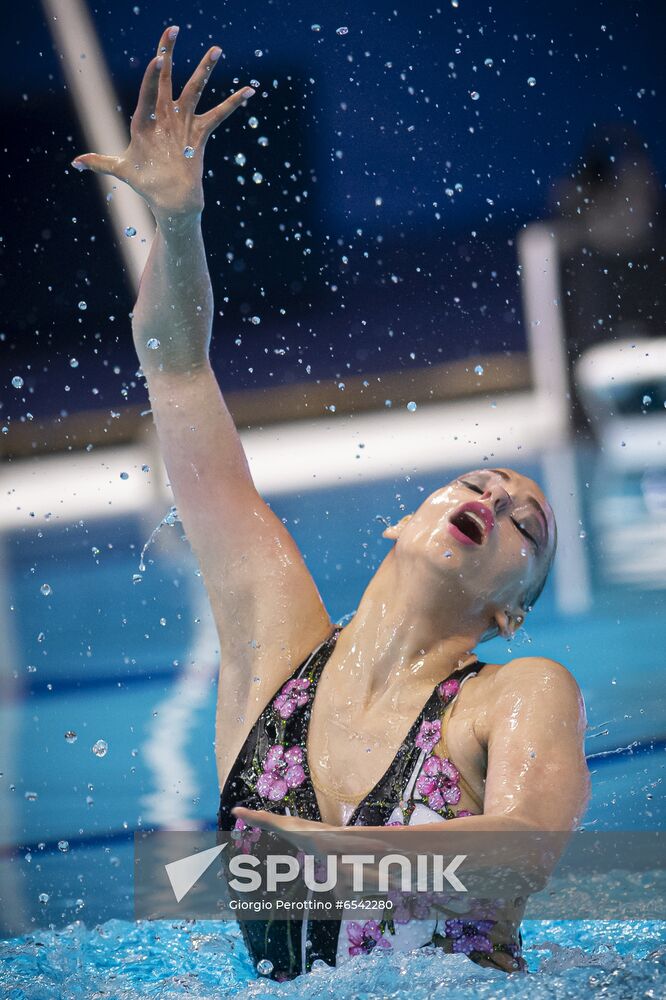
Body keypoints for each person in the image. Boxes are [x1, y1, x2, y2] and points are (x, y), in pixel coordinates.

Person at [73, 27, 590, 980]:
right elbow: (177, 369)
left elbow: (523, 853)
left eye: (528, 523)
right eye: (479, 481)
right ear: (401, 520)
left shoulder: (519, 693)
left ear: (513, 609)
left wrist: (337, 855)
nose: (497, 496)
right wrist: (178, 225)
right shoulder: (274, 660)